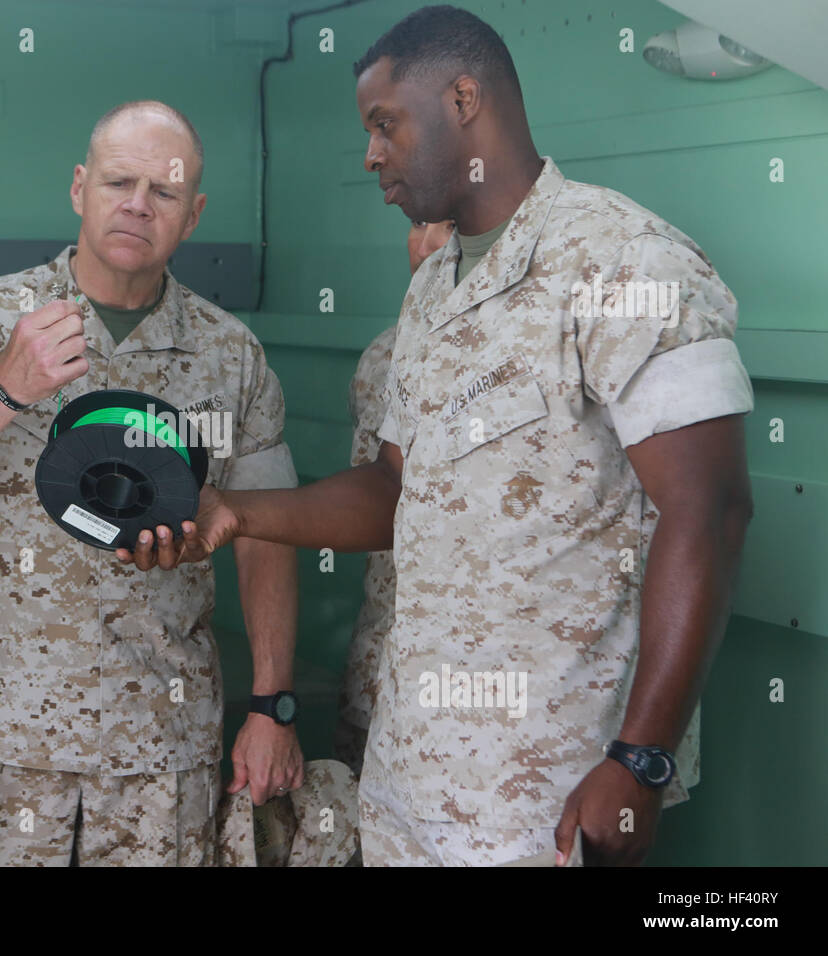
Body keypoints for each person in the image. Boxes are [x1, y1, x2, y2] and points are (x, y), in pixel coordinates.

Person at [117, 6, 755, 867]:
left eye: (385, 125)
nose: (371, 155)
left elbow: (710, 510)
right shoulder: (437, 288)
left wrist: (640, 759)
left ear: (464, 98)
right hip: (412, 779)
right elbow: (392, 490)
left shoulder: (623, 262)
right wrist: (234, 510)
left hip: (547, 789)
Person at [0, 100, 303, 866]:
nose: (138, 203)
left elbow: (269, 533)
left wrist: (273, 703)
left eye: (163, 191)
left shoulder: (231, 358)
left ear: (192, 215)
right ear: (79, 189)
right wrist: (2, 385)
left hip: (155, 749)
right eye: (117, 181)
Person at [335, 219, 453, 776]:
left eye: (451, 226)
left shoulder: (549, 348)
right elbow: (376, 504)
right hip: (385, 662)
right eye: (416, 224)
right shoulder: (384, 358)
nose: (427, 244)